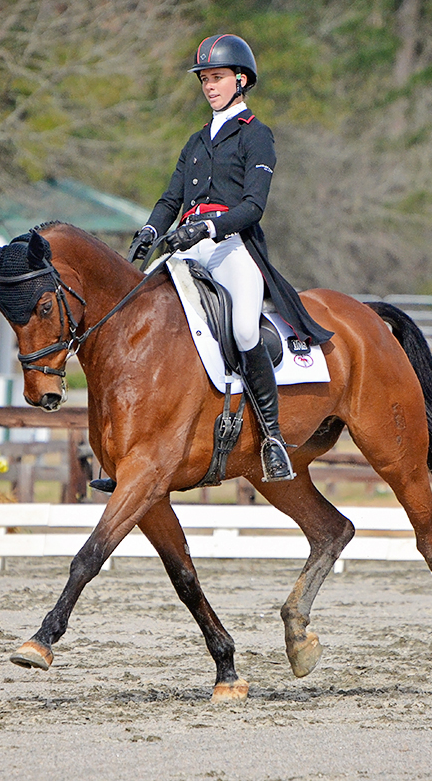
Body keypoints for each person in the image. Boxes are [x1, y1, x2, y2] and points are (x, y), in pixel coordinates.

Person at [127, 33, 333, 483]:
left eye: (217, 77)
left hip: (231, 246)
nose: (209, 86)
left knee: (242, 328)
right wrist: (150, 230)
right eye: (204, 79)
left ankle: (272, 438)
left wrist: (207, 227)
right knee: (141, 314)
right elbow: (171, 199)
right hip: (186, 246)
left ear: (241, 80)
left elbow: (253, 206)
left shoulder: (257, 136)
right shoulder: (196, 141)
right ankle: (135, 444)